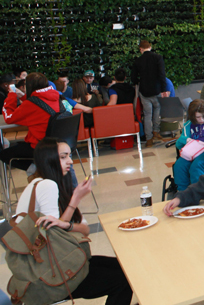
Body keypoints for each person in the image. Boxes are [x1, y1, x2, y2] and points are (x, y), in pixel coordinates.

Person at [20, 138, 133, 304]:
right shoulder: (47, 186)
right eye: (63, 157)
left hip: (56, 263)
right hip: (48, 277)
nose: (70, 161)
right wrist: (75, 200)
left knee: (125, 268)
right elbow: (52, 233)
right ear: (49, 159)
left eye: (69, 156)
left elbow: (84, 229)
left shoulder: (48, 183)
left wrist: (68, 223)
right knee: (123, 280)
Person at [1, 73, 64, 170]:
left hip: (40, 146)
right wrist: (23, 96)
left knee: (3, 154)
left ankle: (33, 170)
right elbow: (39, 100)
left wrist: (12, 96)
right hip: (59, 142)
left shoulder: (30, 104)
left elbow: (9, 117)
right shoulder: (55, 96)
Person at [173, 100, 204, 191]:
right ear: (192, 117)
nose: (202, 120)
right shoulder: (188, 125)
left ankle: (198, 191)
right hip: (192, 151)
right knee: (179, 165)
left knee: (196, 166)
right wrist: (186, 140)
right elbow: (178, 144)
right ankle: (182, 192)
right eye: (198, 117)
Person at [131, 40, 170, 147]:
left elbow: (133, 78)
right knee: (157, 109)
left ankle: (149, 139)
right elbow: (162, 74)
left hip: (144, 91)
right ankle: (156, 131)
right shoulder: (158, 57)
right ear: (150, 47)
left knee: (147, 114)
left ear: (141, 49)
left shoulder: (138, 61)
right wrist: (164, 89)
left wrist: (138, 83)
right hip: (156, 89)